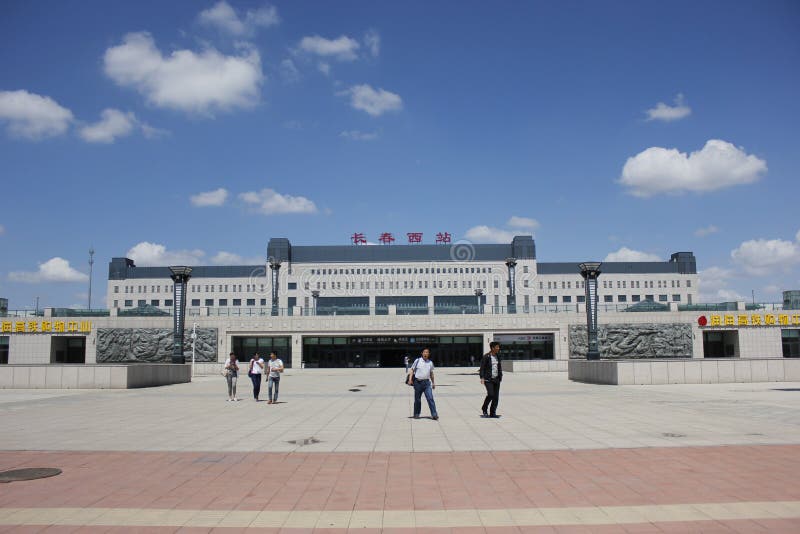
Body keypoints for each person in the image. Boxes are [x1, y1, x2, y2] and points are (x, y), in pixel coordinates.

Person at [407, 348, 438, 420]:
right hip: (418, 383)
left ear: (429, 354)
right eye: (424, 352)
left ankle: (434, 414)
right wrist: (410, 379)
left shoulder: (430, 362)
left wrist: (433, 383)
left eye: (427, 352)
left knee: (430, 398)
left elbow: (431, 373)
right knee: (417, 399)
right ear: (422, 353)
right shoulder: (417, 361)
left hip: (427, 383)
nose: (426, 353)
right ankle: (416, 414)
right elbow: (412, 370)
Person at [479, 341, 503, 418]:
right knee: (490, 394)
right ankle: (484, 408)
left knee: (496, 397)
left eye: (498, 347)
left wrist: (500, 376)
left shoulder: (498, 356)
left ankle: (493, 412)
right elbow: (482, 368)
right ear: (492, 348)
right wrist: (482, 377)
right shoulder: (486, 357)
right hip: (488, 379)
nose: (498, 348)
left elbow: (499, 367)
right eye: (497, 347)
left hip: (497, 379)